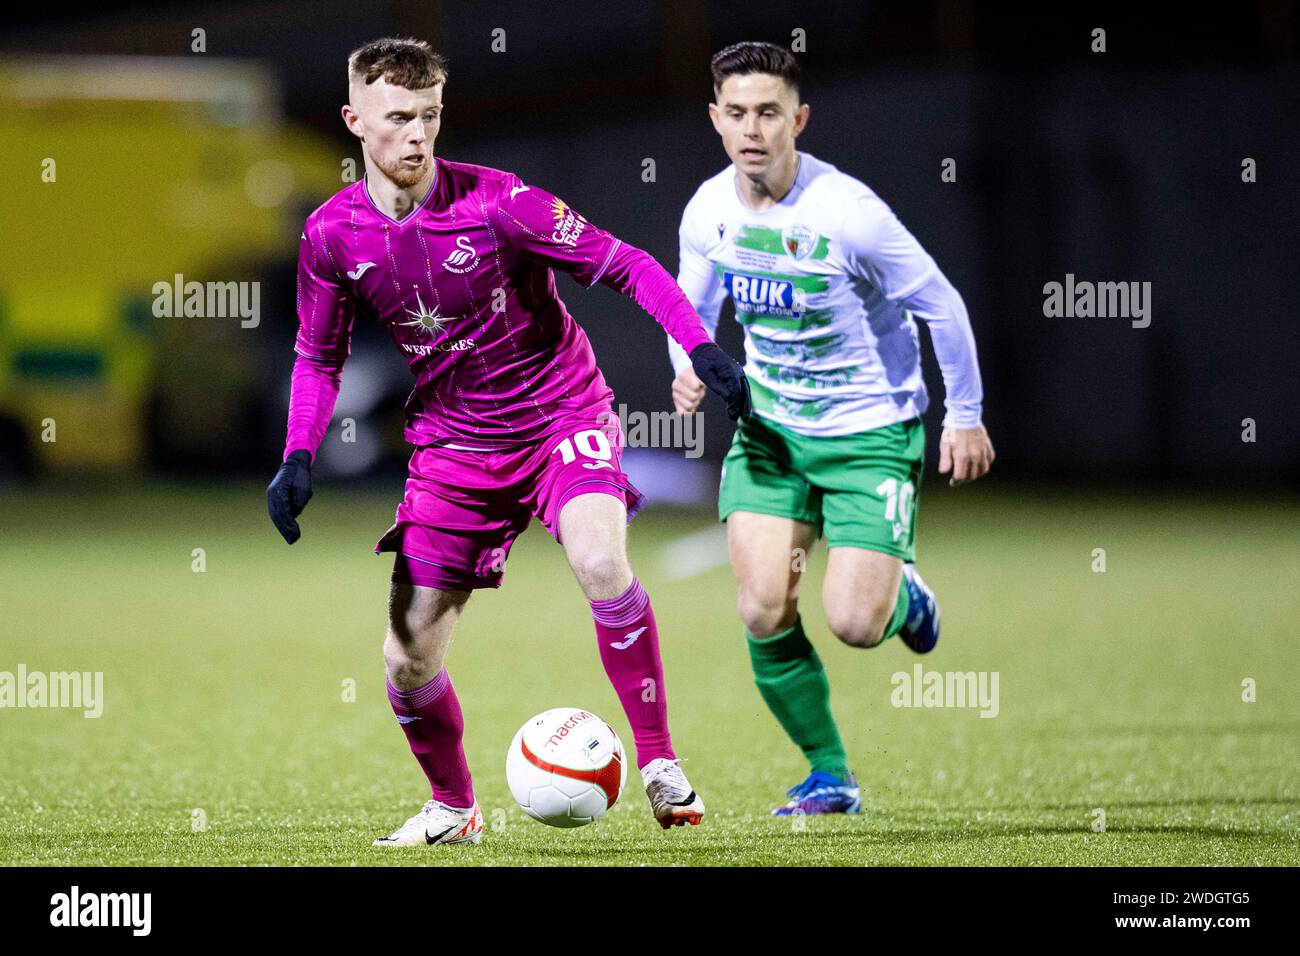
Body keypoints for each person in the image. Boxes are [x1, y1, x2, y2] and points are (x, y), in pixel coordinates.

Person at [267, 37, 750, 846]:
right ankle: (454, 807)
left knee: (601, 560)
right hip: (454, 450)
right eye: (397, 119)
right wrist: (297, 456)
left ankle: (661, 763)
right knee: (407, 657)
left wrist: (697, 343)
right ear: (355, 121)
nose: (417, 136)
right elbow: (319, 355)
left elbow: (625, 264)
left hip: (562, 415)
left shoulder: (502, 203)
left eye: (430, 117)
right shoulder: (330, 236)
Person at [666, 41, 994, 816]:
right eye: (737, 113)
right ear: (716, 119)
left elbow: (941, 304)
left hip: (870, 434)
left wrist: (966, 416)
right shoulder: (708, 209)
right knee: (761, 607)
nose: (753, 129)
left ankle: (901, 597)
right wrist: (684, 361)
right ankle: (830, 774)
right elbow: (688, 307)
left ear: (799, 119)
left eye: (769, 113)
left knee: (852, 622)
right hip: (772, 433)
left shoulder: (849, 214)